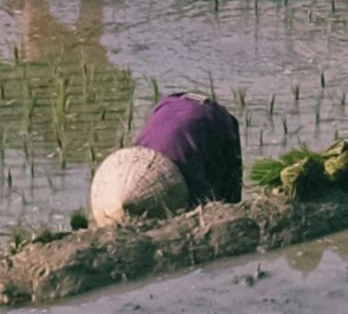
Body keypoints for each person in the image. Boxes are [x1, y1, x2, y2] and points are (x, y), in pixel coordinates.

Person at [88, 90, 244, 227]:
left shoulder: (188, 173)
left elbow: (211, 204)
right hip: (168, 105)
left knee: (225, 196)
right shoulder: (137, 161)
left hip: (214, 118)